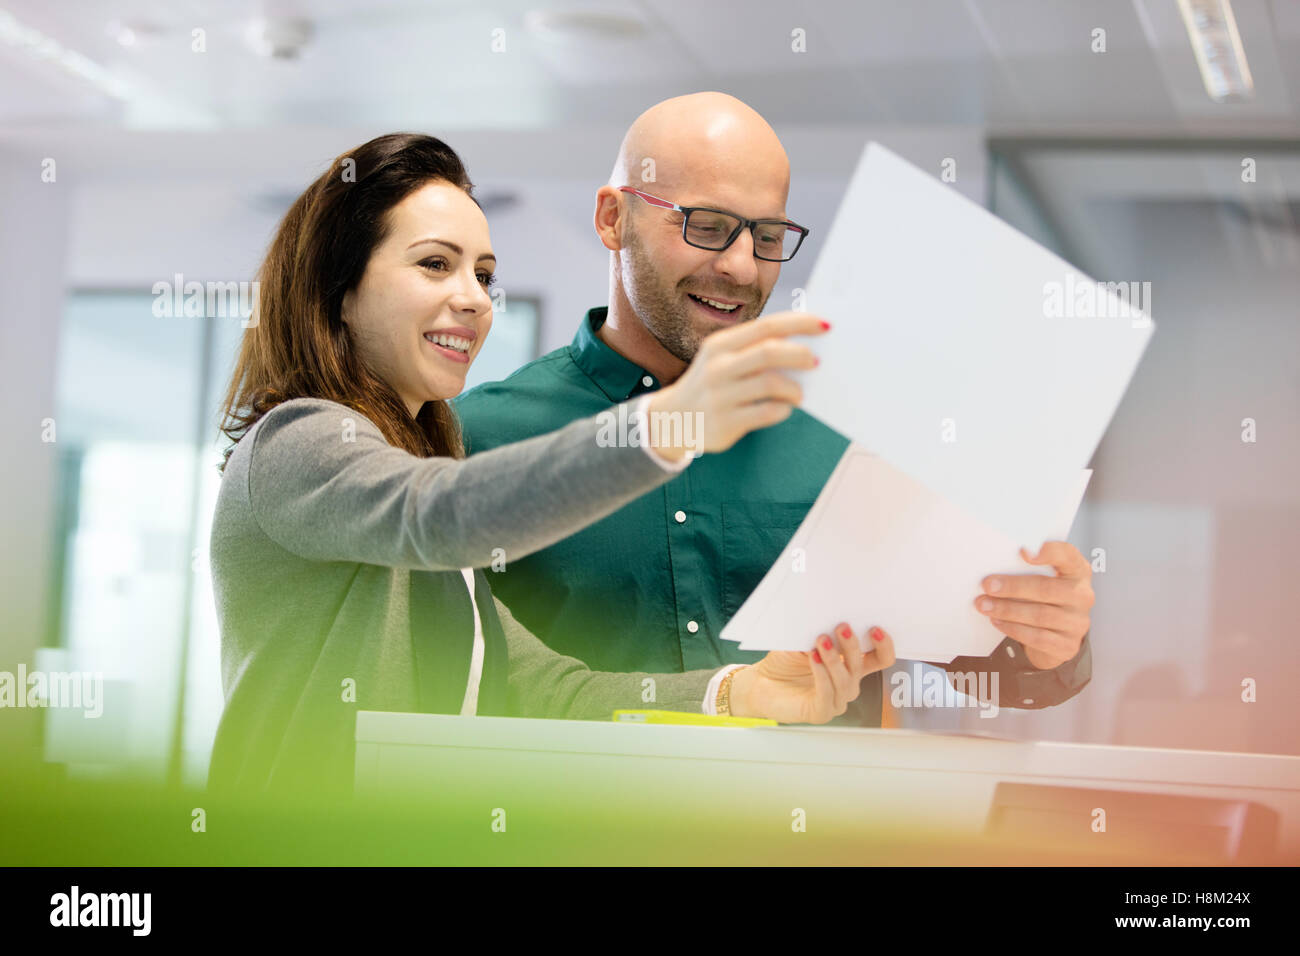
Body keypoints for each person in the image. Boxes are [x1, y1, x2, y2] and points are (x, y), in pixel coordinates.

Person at [207, 132, 898, 796]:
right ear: (340, 289)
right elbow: (441, 512)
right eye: (434, 264)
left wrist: (740, 690)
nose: (476, 299)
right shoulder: (295, 442)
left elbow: (547, 691)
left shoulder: (425, 482)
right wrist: (670, 420)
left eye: (483, 274)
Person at [455, 93, 1094, 723]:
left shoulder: (854, 434)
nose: (741, 266)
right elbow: (467, 683)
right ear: (612, 218)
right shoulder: (475, 441)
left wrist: (1041, 639)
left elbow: (970, 653)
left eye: (767, 236)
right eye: (706, 226)